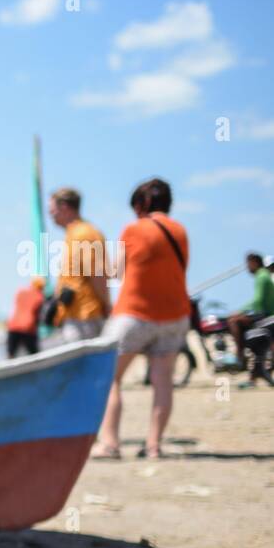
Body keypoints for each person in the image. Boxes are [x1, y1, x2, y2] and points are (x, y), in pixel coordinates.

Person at [92, 178, 191, 460]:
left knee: (109, 378)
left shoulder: (134, 229)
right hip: (174, 315)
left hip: (134, 315)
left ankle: (110, 443)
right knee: (163, 382)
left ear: (143, 204)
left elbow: (117, 272)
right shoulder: (180, 231)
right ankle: (153, 446)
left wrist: (95, 265)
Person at [49, 187, 110, 341]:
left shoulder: (83, 233)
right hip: (76, 316)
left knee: (79, 364)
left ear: (64, 207)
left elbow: (97, 274)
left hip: (84, 317)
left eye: (52, 210)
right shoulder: (74, 232)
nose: (51, 215)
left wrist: (108, 305)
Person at [227, 252, 274, 386]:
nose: (247, 267)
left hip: (265, 314)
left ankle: (239, 355)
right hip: (265, 312)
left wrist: (240, 312)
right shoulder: (265, 276)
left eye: (248, 264)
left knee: (233, 321)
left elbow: (258, 302)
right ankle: (252, 374)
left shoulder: (262, 276)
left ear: (254, 262)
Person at [5, 277, 45, 358]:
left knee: (11, 355)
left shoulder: (21, 292)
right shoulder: (39, 297)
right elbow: (37, 315)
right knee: (35, 355)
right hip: (28, 328)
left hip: (13, 326)